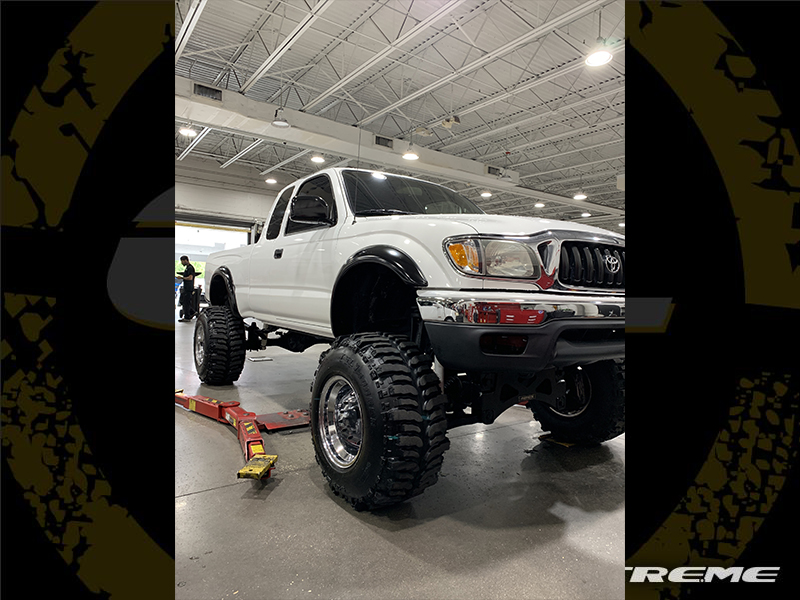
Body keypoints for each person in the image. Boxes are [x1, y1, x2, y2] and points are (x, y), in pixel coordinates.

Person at [176, 255, 196, 322]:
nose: (182, 263)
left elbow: (190, 278)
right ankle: (192, 312)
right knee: (184, 301)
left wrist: (181, 278)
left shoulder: (190, 268)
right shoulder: (187, 268)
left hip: (188, 288)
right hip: (186, 287)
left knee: (186, 303)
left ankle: (187, 317)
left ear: (186, 260)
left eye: (182, 261)